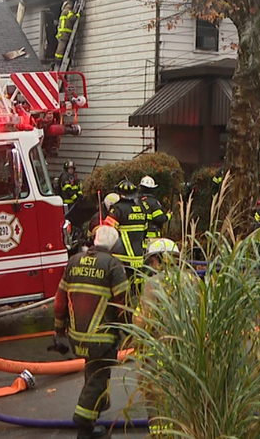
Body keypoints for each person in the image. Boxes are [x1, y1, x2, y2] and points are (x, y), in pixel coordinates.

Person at [53, 225, 130, 439]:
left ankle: (94, 415)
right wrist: (130, 331)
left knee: (94, 373)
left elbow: (59, 300)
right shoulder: (113, 265)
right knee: (98, 377)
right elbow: (123, 304)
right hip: (101, 338)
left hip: (76, 336)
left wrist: (58, 330)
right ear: (114, 245)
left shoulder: (74, 261)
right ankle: (84, 425)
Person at [132, 237, 192, 436]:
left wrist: (137, 344)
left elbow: (142, 320)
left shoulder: (154, 283)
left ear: (159, 260)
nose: (151, 266)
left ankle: (161, 433)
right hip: (189, 350)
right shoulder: (192, 279)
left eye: (152, 261)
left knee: (155, 394)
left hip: (160, 350)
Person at [107, 179, 149, 280]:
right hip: (138, 255)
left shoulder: (117, 209)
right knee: (137, 281)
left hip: (122, 256)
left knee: (122, 282)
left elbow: (108, 231)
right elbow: (145, 230)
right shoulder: (142, 208)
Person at [138, 175, 168, 241]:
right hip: (151, 237)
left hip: (138, 237)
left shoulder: (136, 201)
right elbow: (159, 218)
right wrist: (167, 216)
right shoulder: (154, 203)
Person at [54, 0, 80, 65]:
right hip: (65, 33)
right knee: (62, 46)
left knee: (61, 46)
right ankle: (58, 60)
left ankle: (58, 59)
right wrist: (78, 15)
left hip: (62, 33)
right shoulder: (67, 11)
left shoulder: (63, 12)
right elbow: (72, 18)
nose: (70, 6)